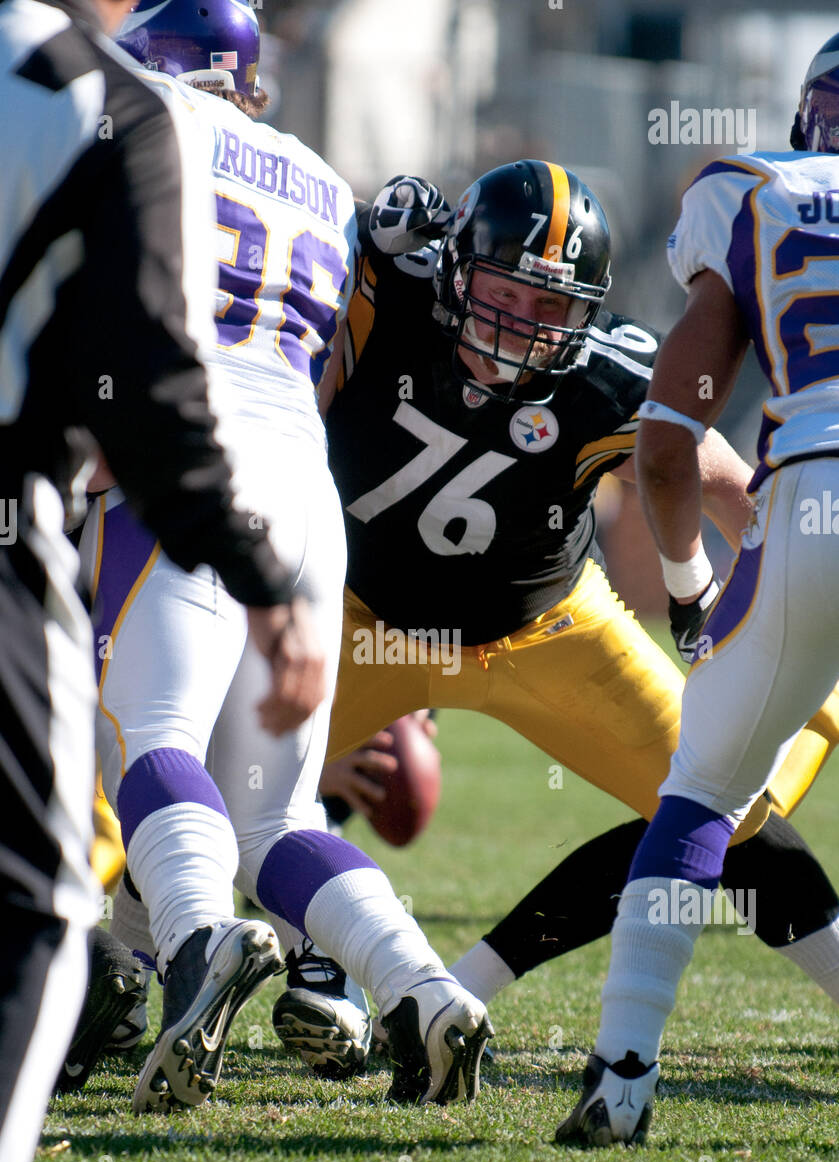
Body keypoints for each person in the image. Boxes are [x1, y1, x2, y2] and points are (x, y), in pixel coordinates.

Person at [311, 161, 839, 1055]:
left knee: (727, 811)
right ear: (450, 271)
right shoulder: (384, 301)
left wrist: (765, 597)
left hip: (547, 630)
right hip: (364, 623)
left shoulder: (603, 377)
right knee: (197, 772)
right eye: (505, 294)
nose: (526, 326)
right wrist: (366, 225)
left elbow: (722, 485)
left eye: (553, 307)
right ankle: (164, 962)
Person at [78, 0, 491, 1113]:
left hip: (193, 466)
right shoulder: (310, 170)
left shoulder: (135, 112)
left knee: (149, 736)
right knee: (278, 819)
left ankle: (203, 940)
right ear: (245, 81)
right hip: (307, 490)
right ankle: (422, 989)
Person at [0, 0, 325, 1162]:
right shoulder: (108, 102)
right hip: (8, 529)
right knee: (36, 898)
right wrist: (261, 573)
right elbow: (149, 380)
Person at [557, 34, 839, 1146]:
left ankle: (622, 1071)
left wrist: (686, 590)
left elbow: (667, 449)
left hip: (814, 500)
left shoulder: (756, 193)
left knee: (704, 789)